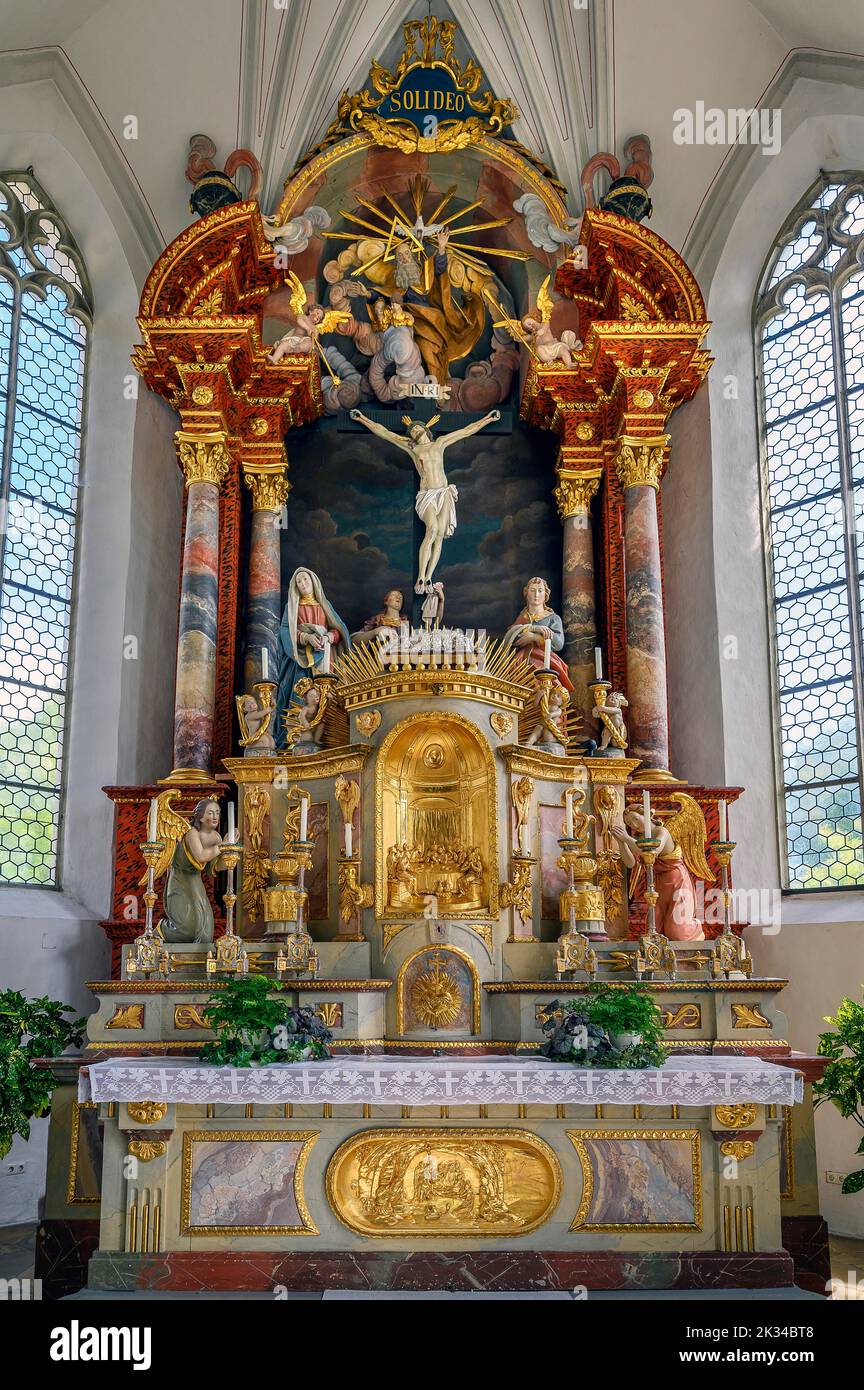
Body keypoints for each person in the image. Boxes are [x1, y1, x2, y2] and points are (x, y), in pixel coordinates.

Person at [275, 567, 350, 747]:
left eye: (306, 579)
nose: (303, 584)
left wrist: (328, 637)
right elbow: (285, 632)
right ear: (295, 586)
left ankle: (326, 740)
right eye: (299, 581)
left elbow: (339, 630)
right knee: (299, 696)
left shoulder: (325, 605)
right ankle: (295, 740)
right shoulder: (291, 608)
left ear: (314, 582)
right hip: (300, 662)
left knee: (328, 698)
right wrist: (306, 637)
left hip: (325, 658)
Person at [612, 808, 705, 942]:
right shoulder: (638, 839)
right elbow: (630, 863)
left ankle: (696, 927)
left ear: (647, 815)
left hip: (677, 881)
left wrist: (626, 838)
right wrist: (621, 842)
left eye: (636, 819)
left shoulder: (662, 832)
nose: (634, 825)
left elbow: (652, 851)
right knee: (654, 929)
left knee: (677, 933)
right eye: (630, 823)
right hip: (658, 885)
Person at [161, 799, 225, 944]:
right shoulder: (191, 833)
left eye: (217, 813)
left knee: (205, 926)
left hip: (195, 881)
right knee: (186, 927)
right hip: (179, 880)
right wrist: (223, 847)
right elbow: (201, 855)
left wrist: (230, 856)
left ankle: (198, 959)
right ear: (200, 816)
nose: (215, 816)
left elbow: (213, 868)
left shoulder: (216, 838)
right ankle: (160, 932)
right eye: (210, 813)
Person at [502, 576, 573, 691]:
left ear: (546, 595)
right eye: (533, 590)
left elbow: (559, 643)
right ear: (526, 593)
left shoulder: (553, 618)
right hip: (521, 661)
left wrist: (534, 637)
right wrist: (534, 628)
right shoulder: (522, 617)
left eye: (540, 590)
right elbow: (510, 638)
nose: (536, 594)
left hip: (544, 659)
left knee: (549, 688)